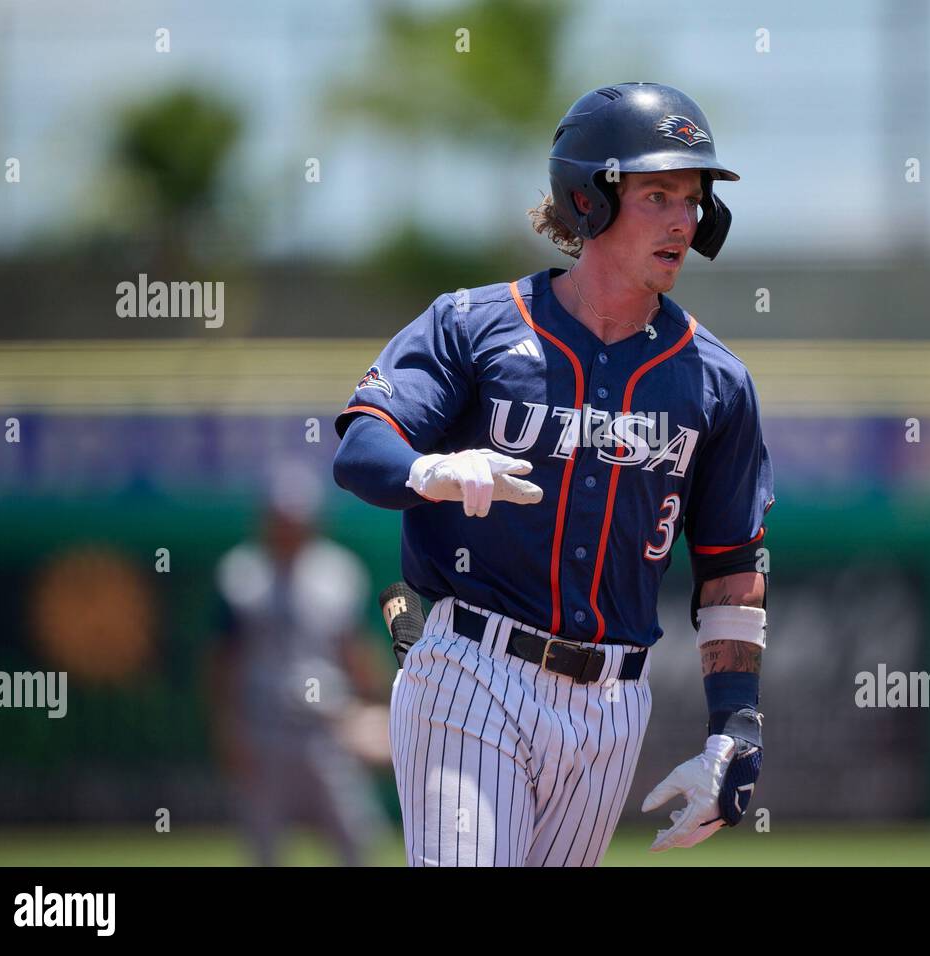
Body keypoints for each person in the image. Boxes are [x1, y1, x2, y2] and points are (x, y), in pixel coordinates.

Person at [332, 82, 774, 867]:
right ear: (590, 201)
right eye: (659, 194)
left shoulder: (716, 381)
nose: (684, 220)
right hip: (471, 670)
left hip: (612, 705)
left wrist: (734, 725)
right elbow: (362, 448)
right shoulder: (474, 324)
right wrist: (431, 469)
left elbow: (731, 570)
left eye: (694, 199)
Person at [210, 461, 386, 866]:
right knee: (265, 848)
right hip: (264, 728)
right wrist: (228, 728)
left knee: (357, 839)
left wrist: (379, 709)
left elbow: (353, 649)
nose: (288, 525)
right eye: (281, 516)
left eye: (296, 517)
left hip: (328, 728)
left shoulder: (337, 571)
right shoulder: (241, 573)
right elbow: (222, 661)